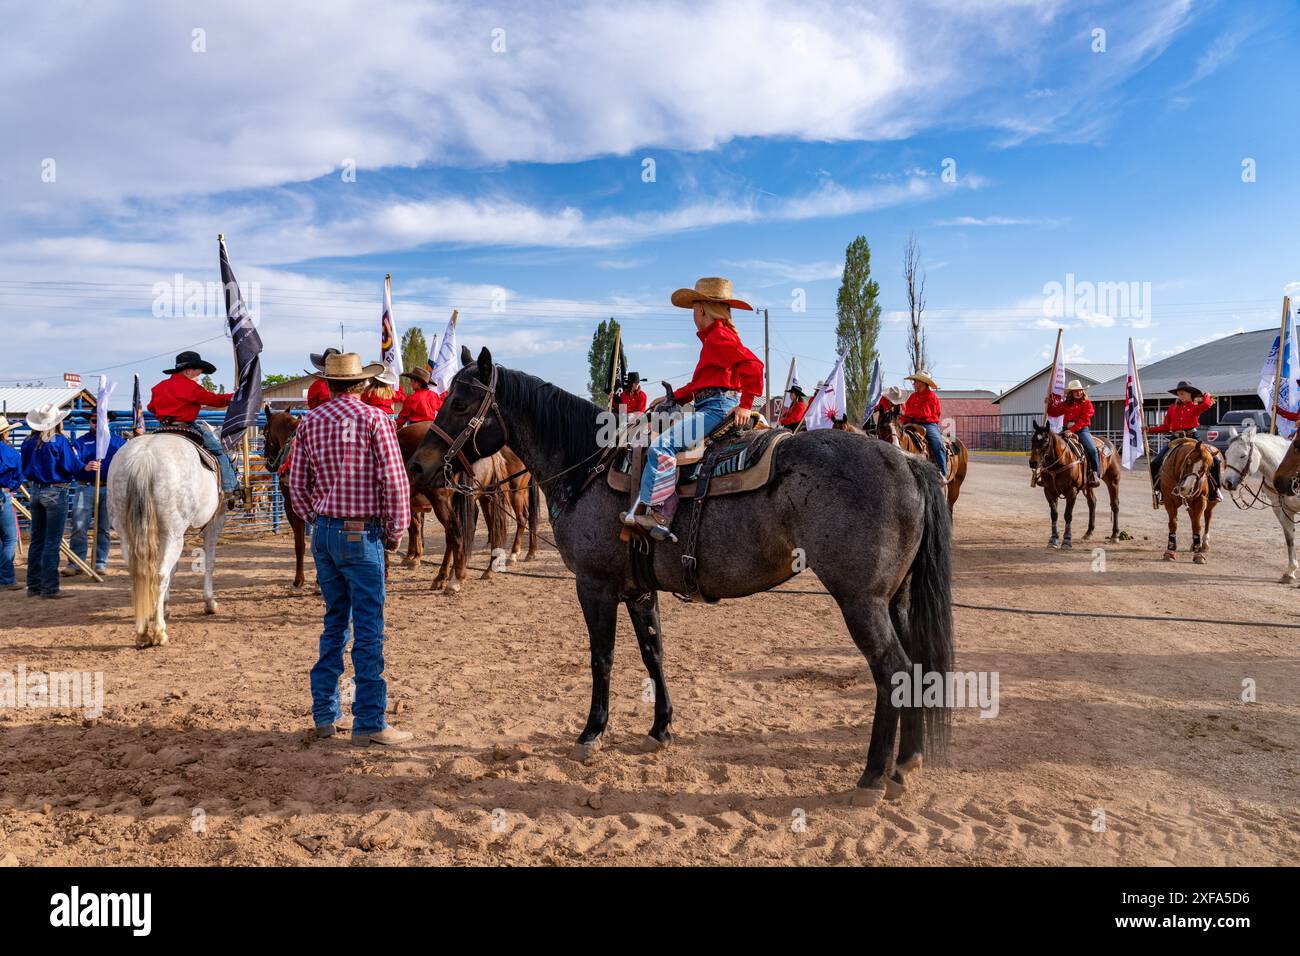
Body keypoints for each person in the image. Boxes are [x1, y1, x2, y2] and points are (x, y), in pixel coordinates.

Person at [287, 352, 414, 747]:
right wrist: (395, 531)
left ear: (329, 384)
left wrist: (317, 520)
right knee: (370, 628)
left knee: (335, 622)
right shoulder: (376, 419)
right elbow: (394, 483)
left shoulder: (310, 422)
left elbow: (295, 484)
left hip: (325, 533)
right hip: (362, 534)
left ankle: (326, 715)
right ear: (361, 384)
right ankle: (371, 722)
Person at [625, 277, 763, 538]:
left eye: (693, 309)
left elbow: (754, 366)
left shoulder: (719, 337)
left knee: (662, 445)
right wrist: (674, 398)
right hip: (709, 403)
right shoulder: (714, 339)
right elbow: (701, 383)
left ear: (701, 309)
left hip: (716, 408)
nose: (692, 315)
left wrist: (746, 404)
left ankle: (662, 513)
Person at [148, 351, 241, 506]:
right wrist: (235, 396)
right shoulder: (191, 387)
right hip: (186, 427)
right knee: (218, 451)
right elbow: (215, 400)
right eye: (199, 371)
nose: (200, 375)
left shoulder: (158, 387)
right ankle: (230, 487)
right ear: (189, 370)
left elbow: (151, 408)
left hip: (163, 428)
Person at [20, 403, 82, 598]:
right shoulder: (59, 441)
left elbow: (24, 467)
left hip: (36, 491)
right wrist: (81, 462)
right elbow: (71, 466)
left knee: (37, 541)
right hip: (55, 492)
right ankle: (49, 588)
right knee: (52, 542)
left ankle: (34, 586)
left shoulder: (28, 442)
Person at [65, 411, 126, 576]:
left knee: (104, 528)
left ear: (108, 422)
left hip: (109, 488)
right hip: (85, 486)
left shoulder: (118, 442)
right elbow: (72, 462)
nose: (96, 424)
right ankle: (76, 562)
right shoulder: (80, 442)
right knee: (79, 525)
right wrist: (84, 467)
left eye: (99, 421)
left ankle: (100, 561)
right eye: (93, 421)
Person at [1148, 380, 1218, 502]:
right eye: (1179, 394)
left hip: (1192, 437)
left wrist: (1206, 395)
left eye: (1183, 393)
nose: (1181, 396)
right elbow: (1165, 427)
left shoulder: (1195, 407)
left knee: (1215, 461)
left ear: (1190, 394)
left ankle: (1215, 490)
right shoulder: (1171, 408)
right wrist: (1149, 429)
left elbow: (1207, 404)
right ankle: (1159, 490)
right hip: (1175, 439)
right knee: (1155, 463)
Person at [1046, 380, 1100, 487]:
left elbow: (1084, 419)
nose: (1078, 393)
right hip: (1065, 430)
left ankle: (1095, 474)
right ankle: (1046, 473)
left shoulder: (1087, 404)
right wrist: (1049, 404)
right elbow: (1054, 412)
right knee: (1051, 446)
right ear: (1071, 393)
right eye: (1075, 391)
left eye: (1080, 390)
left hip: (1081, 430)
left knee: (1092, 450)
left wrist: (1072, 430)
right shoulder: (1065, 404)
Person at [901, 372, 948, 477]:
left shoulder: (931, 397)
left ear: (922, 382)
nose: (914, 383)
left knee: (938, 443)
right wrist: (902, 418)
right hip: (911, 422)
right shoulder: (912, 396)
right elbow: (906, 411)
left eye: (916, 381)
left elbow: (924, 414)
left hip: (928, 424)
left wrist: (909, 414)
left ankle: (942, 474)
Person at [0, 417, 24, 591]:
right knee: (9, 538)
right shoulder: (10, 452)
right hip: (3, 493)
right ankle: (7, 578)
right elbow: (18, 476)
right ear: (5, 433)